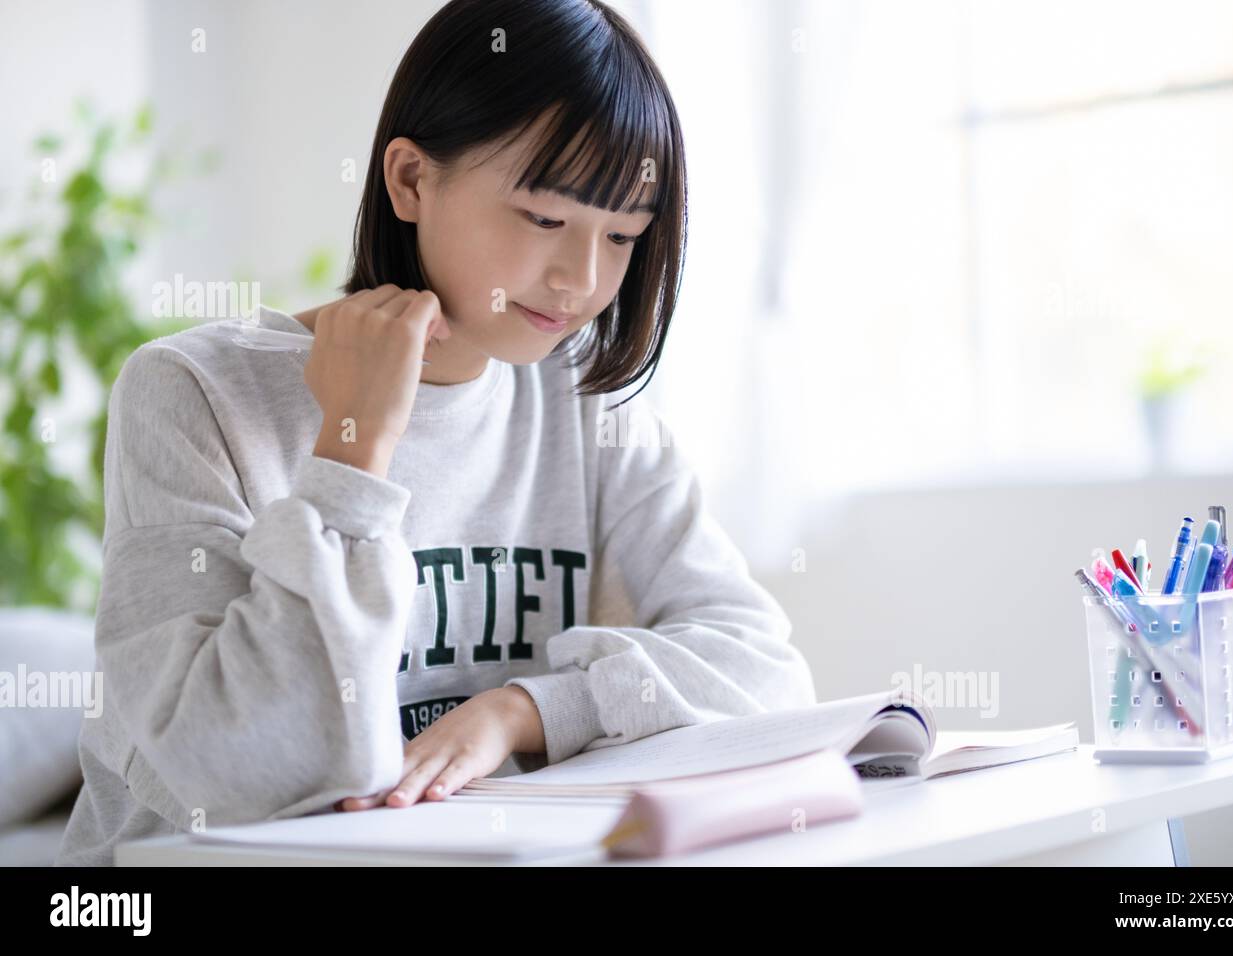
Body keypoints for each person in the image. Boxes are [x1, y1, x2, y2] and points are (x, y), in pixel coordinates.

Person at [56, 0, 816, 867]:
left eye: (622, 236)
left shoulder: (586, 408)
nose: (582, 280)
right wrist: (352, 453)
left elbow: (765, 671)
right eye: (543, 219)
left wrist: (527, 710)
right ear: (411, 180)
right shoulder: (192, 391)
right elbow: (246, 773)